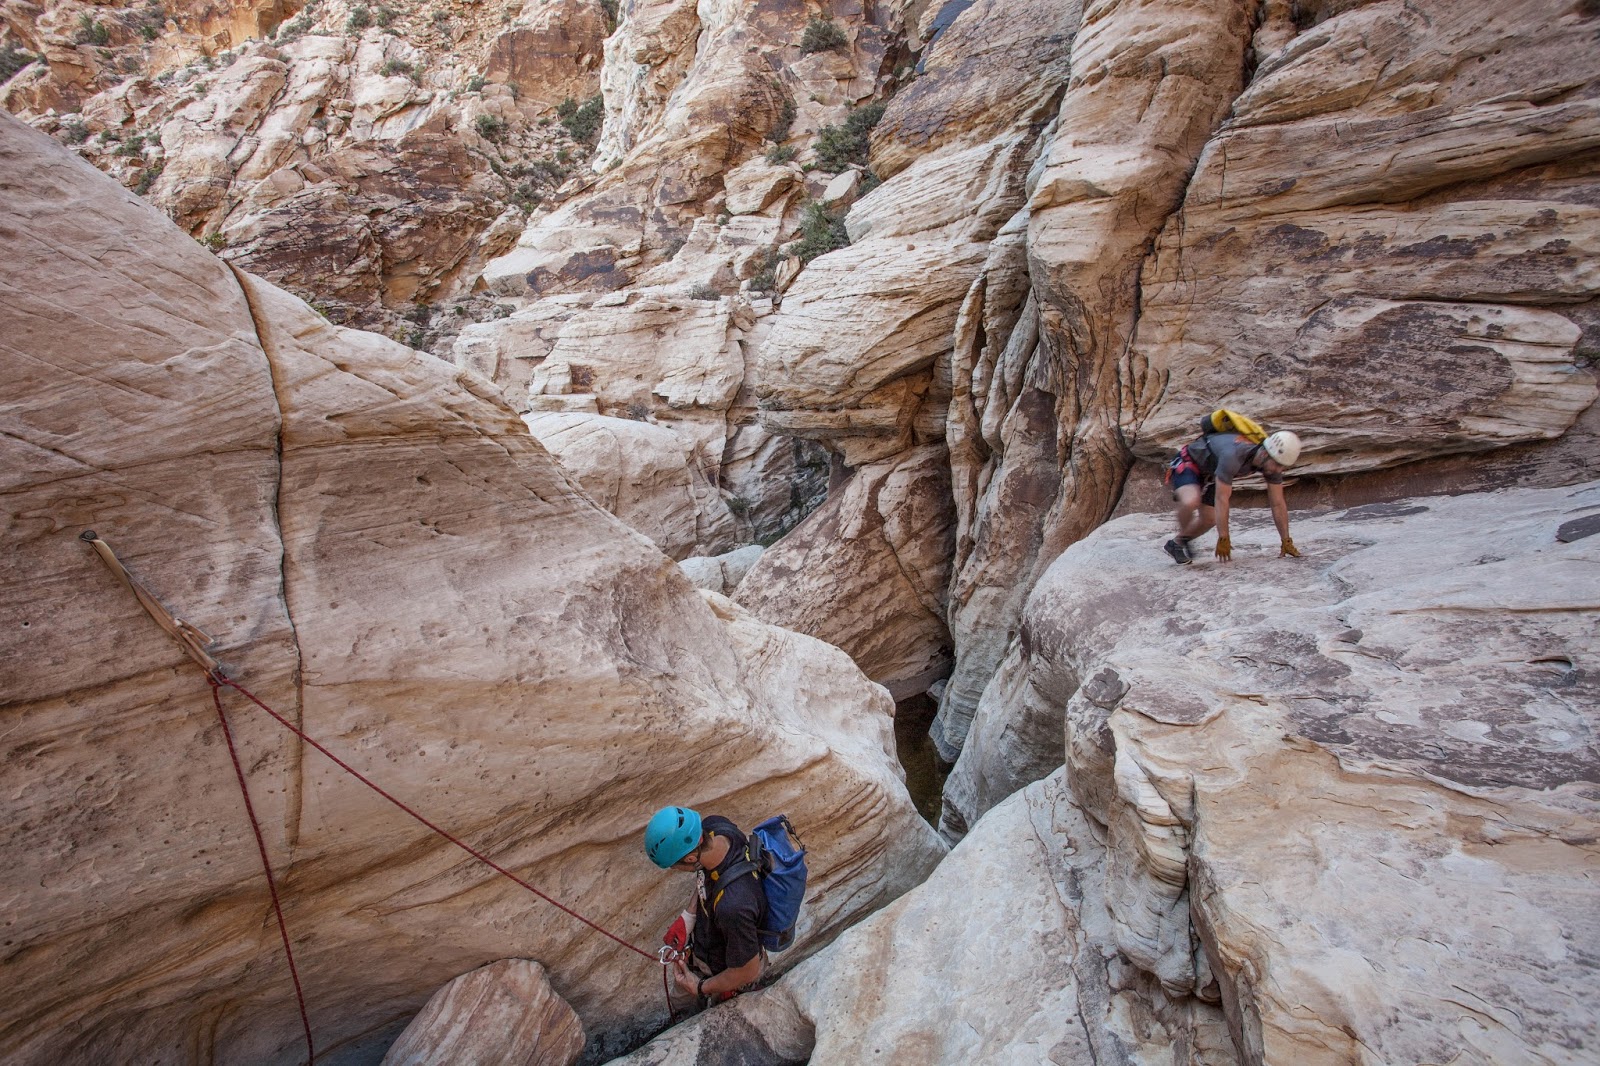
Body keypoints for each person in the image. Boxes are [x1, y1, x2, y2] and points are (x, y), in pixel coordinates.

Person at [644, 805, 765, 1006]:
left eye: (675, 866)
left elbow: (747, 970)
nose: (675, 869)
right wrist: (689, 917)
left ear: (691, 859)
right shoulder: (716, 827)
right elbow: (709, 879)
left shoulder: (734, 906)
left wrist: (700, 987)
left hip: (729, 973)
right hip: (711, 951)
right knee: (680, 1000)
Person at [1163, 429, 1303, 563]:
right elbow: (1222, 499)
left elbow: (1277, 503)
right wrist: (1224, 538)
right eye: (1278, 465)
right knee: (1191, 501)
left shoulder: (1270, 463)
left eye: (1282, 467)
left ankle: (1177, 543)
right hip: (1189, 462)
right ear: (1265, 453)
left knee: (1210, 519)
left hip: (1212, 473)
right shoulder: (1233, 456)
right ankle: (1184, 533)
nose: (1279, 470)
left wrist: (1286, 540)